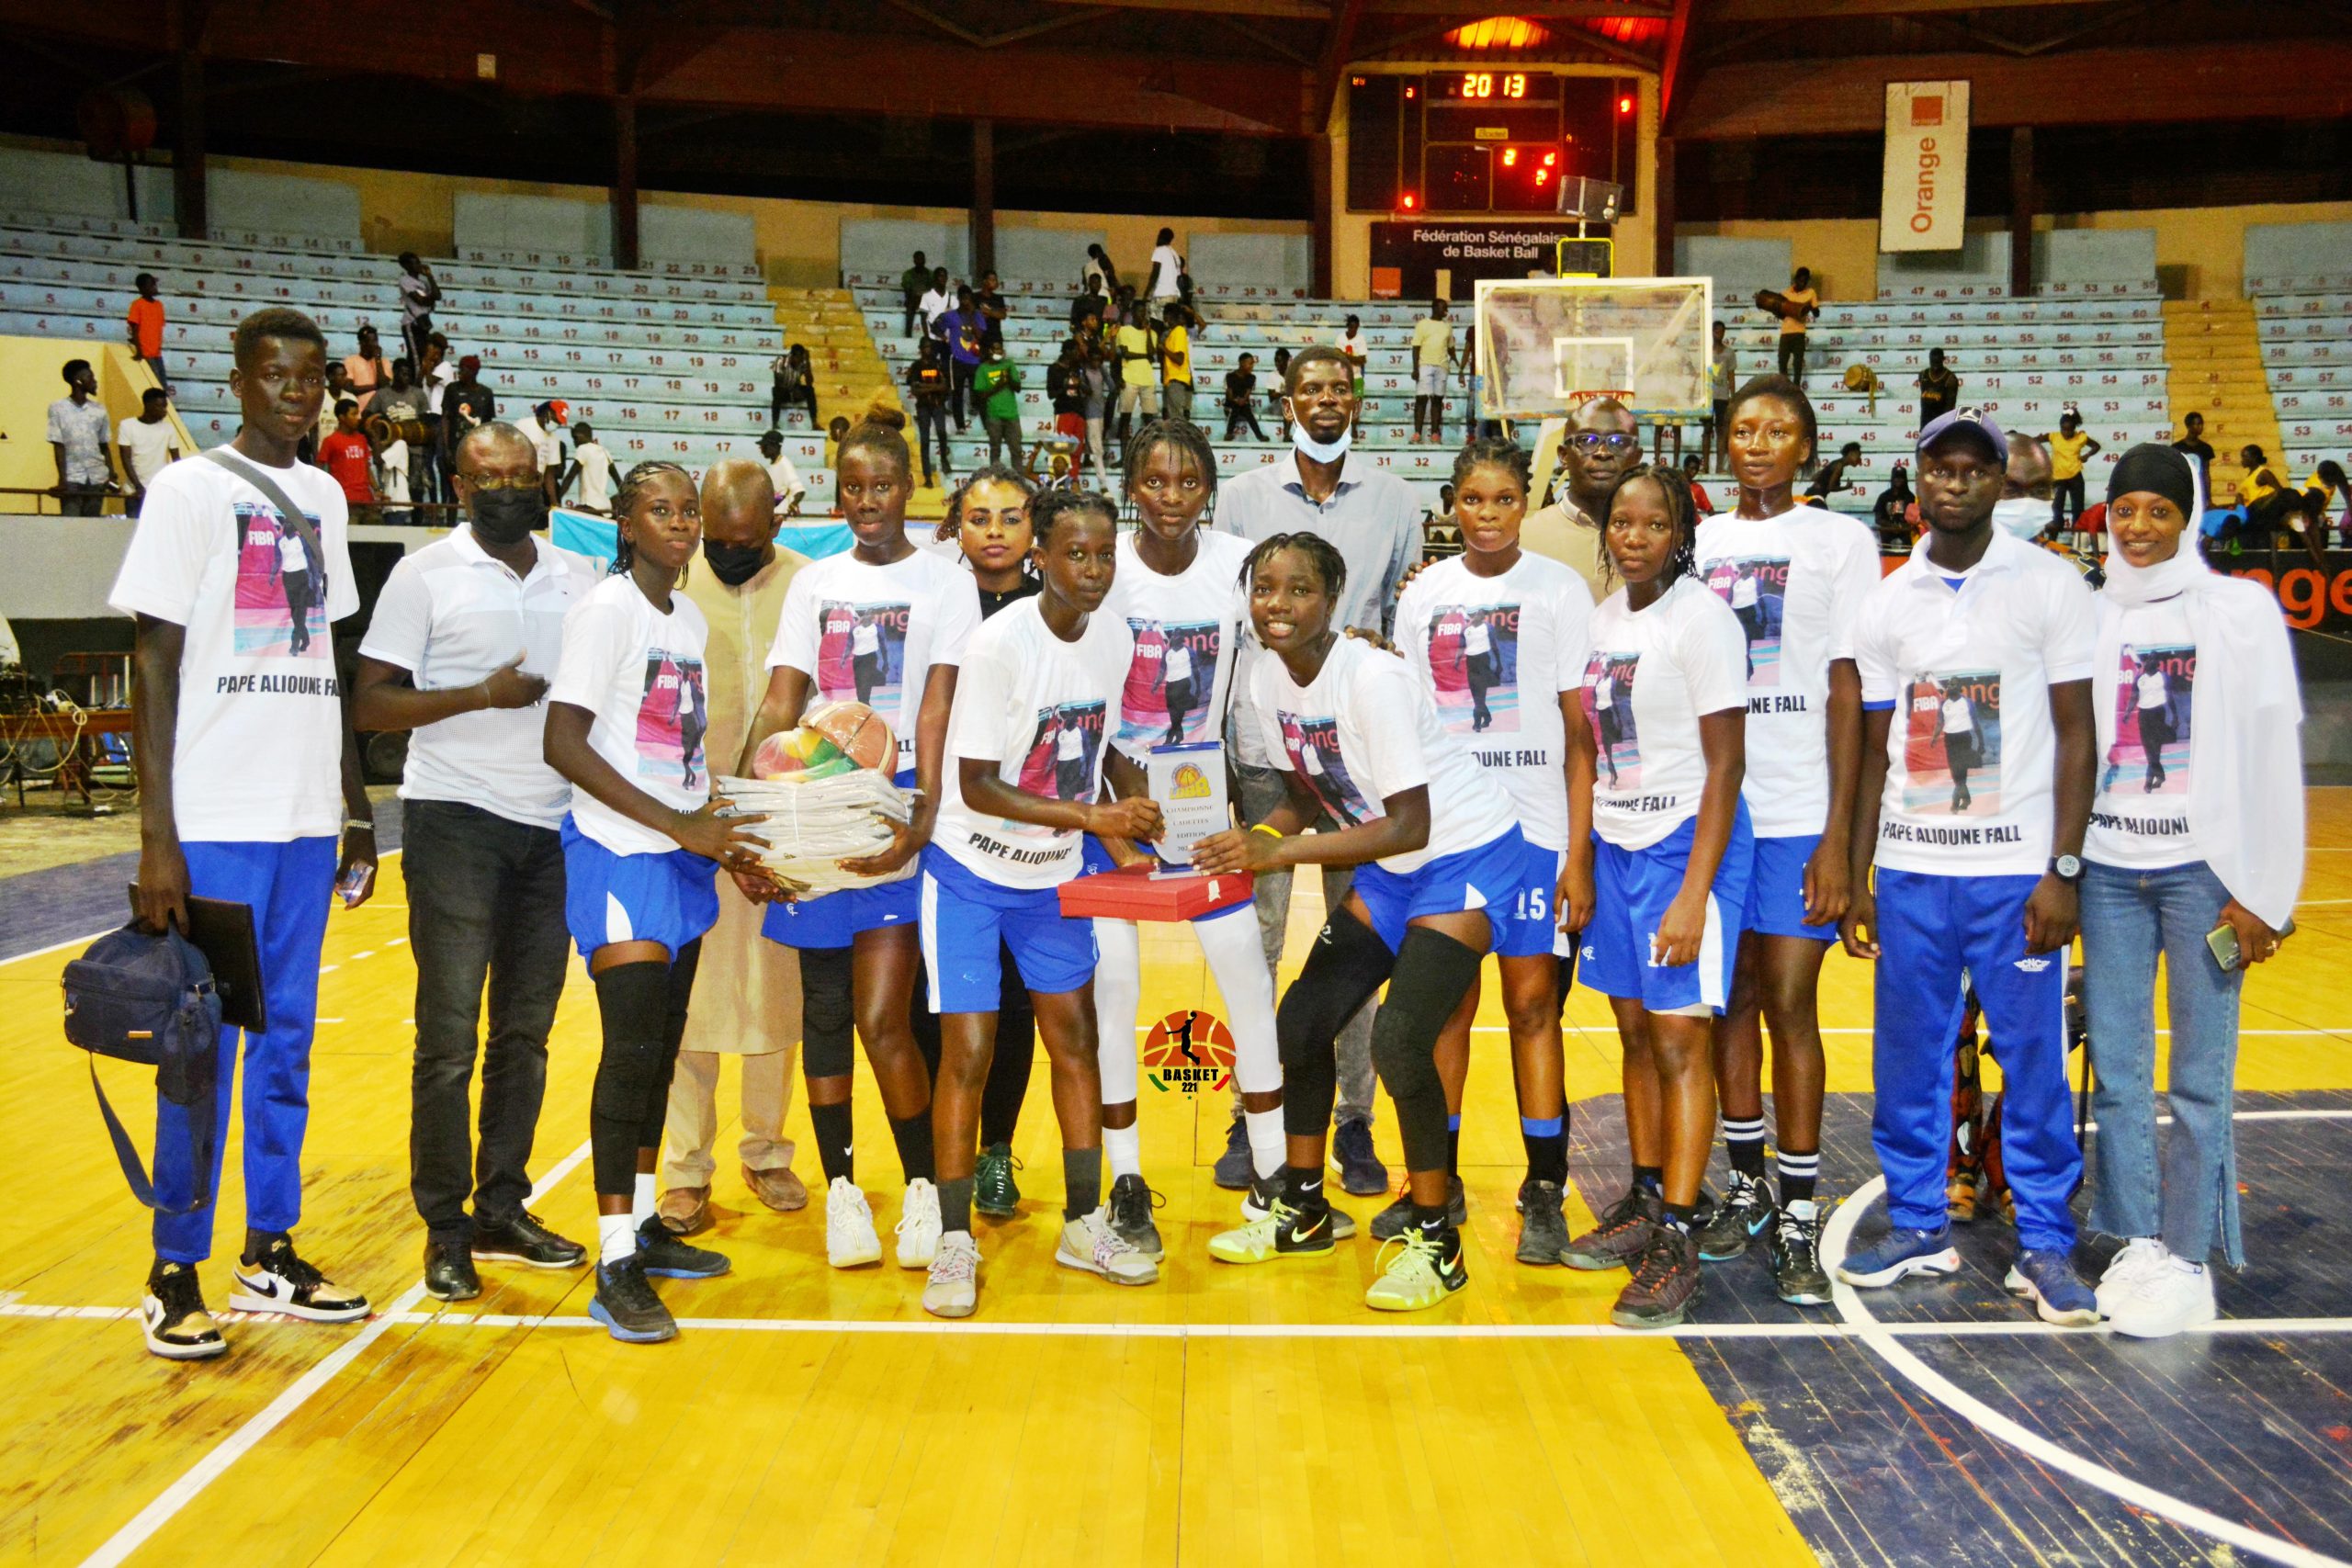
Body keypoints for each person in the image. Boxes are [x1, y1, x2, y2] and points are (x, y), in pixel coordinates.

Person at [109, 306, 377, 1360]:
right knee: (200, 1050)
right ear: (237, 378)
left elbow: (328, 670)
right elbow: (152, 663)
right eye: (276, 374)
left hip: (305, 821)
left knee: (287, 1043)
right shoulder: (187, 490)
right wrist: (156, 837)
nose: (297, 391)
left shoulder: (323, 497)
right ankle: (172, 1267)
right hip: (214, 822)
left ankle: (269, 1246)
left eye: (312, 376)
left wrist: (354, 809)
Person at [1195, 530, 1530, 1313]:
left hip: (1464, 855)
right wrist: (1264, 836)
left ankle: (1434, 1237)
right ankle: (1306, 1208)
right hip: (1396, 867)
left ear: (1332, 600)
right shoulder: (1265, 682)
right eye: (1265, 588)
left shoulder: (1370, 678)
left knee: (1399, 1039)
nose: (1278, 604)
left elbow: (1409, 822)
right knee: (1302, 1022)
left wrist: (1281, 857)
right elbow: (1307, 790)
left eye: (1298, 589)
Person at [1838, 407, 2101, 1326]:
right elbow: (1870, 753)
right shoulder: (1885, 602)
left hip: (2013, 873)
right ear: (1917, 484)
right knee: (1907, 1058)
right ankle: (1916, 1223)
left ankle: (2044, 1245)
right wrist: (1859, 871)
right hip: (1912, 872)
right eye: (1938, 469)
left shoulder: (2049, 585)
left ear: (2000, 482)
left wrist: (2062, 868)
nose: (1954, 483)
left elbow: (2079, 735)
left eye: (1972, 469)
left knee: (2031, 1058)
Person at [354, 422, 599, 1300]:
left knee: (525, 1036)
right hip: (455, 819)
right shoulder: (424, 575)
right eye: (489, 475)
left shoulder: (582, 576)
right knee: (450, 1038)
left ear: (544, 482)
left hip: (554, 825)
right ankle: (446, 1227)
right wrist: (480, 695)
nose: (508, 486)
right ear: (459, 486)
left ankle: (501, 1207)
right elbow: (371, 705)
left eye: (523, 474)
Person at [740, 420, 976, 1273]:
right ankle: (842, 1191)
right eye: (852, 488)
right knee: (827, 1014)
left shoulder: (946, 584)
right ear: (836, 494)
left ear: (907, 486)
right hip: (814, 812)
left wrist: (922, 810)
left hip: (892, 813)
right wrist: (744, 807)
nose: (866, 502)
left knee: (885, 1019)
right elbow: (780, 703)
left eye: (881, 486)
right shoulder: (814, 584)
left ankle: (920, 1187)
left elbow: (937, 708)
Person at [919, 490, 1161, 1317]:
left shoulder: (1116, 637)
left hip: (1051, 875)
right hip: (970, 869)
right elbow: (977, 785)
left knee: (1076, 1039)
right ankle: (955, 1241)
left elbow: (1098, 743)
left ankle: (1084, 1221)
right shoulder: (997, 647)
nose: (1092, 571)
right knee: (971, 1050)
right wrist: (1097, 816)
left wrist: (1134, 797)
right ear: (1041, 559)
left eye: (1103, 555)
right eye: (1075, 555)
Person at [2081, 444, 2302, 1338]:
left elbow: (2270, 752)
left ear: (2189, 517)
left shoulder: (2237, 610)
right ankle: (2136, 1237)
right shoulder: (2091, 614)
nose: (2137, 528)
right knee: (2120, 1073)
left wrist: (2267, 892)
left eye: (2157, 511)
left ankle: (2187, 1256)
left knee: (2200, 1078)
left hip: (2202, 874)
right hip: (2106, 870)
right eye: (2123, 510)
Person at [543, 461, 764, 1344]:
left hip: (677, 858)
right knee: (630, 1057)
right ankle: (613, 1259)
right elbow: (563, 740)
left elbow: (668, 747)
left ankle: (638, 1225)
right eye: (659, 510)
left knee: (662, 1048)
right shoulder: (608, 610)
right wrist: (681, 823)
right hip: (619, 854)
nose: (679, 523)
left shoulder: (684, 616)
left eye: (688, 511)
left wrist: (720, 825)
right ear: (624, 524)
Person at [1685, 377, 1879, 1306]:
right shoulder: (1701, 541)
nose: (1757, 443)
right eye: (1743, 429)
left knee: (1790, 999)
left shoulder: (1839, 541)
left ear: (1806, 444)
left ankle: (1800, 1213)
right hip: (1715, 807)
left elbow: (1846, 689)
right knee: (1730, 1000)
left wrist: (1842, 841)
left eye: (1777, 430)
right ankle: (1749, 1187)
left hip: (1800, 804)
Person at [1214, 345, 1423, 1197]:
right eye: (1310, 387)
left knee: (1358, 948)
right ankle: (1251, 1109)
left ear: (1356, 400)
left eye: (1339, 387)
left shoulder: (1397, 497)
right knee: (1253, 943)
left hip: (1358, 760)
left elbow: (1397, 609)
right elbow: (1237, 613)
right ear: (1286, 398)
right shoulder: (1241, 494)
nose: (1325, 399)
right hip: (1269, 746)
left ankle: (1355, 1122)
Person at [1555, 465, 1753, 1330]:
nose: (1635, 536)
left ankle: (1677, 1232)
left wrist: (1694, 892)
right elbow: (1585, 753)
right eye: (1623, 524)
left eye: (1653, 523)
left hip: (1685, 847)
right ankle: (1643, 1196)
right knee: (1635, 1030)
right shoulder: (1599, 623)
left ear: (1680, 534)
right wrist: (1580, 856)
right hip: (1619, 843)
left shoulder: (1702, 620)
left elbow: (1726, 765)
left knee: (1680, 1038)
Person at [1080, 423, 1282, 1256]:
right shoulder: (1102, 564)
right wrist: (1109, 807)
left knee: (1245, 973)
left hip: (1202, 804)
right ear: (1132, 486)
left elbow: (1271, 658)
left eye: (1188, 480)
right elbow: (1075, 694)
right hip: (1111, 803)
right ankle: (1127, 1180)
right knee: (1116, 986)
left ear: (1208, 487)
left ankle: (1277, 1177)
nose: (1171, 496)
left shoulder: (1239, 564)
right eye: (1156, 480)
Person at [1392, 439, 1594, 1263]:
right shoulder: (1425, 596)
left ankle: (1544, 1187)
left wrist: (1577, 854)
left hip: (1537, 833)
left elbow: (1582, 733)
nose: (1487, 515)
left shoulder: (1559, 589)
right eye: (1472, 500)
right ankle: (1436, 1180)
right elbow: (1405, 722)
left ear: (1525, 502)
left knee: (1532, 1006)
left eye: (1504, 499)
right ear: (1452, 504)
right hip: (1449, 833)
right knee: (1447, 1008)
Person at [649, 458, 815, 1234]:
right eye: (716, 538)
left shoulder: (809, 584)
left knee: (779, 992)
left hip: (785, 822)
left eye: (745, 540)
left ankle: (769, 1150)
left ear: (775, 527)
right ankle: (683, 1170)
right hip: (689, 823)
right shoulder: (671, 588)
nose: (725, 552)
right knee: (692, 1001)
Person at [909, 470, 1048, 1218]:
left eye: (1011, 517)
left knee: (1014, 999)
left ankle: (996, 1149)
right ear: (955, 528)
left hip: (1024, 822)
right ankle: (943, 1153)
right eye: (978, 517)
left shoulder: (1054, 604)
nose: (995, 531)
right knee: (937, 999)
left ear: (1034, 527)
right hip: (941, 821)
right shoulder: (936, 602)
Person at [1522, 396, 1638, 603]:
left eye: (1618, 442)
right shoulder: (1524, 537)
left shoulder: (1657, 539)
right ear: (1564, 455)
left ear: (1636, 458)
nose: (1603, 453)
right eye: (1587, 441)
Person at [48, 358, 113, 516]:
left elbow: (104, 446)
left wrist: (111, 474)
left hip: (97, 476)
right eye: (90, 377)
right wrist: (62, 479)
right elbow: (59, 445)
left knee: (91, 528)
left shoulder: (99, 410)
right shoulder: (58, 408)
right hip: (72, 477)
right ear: (78, 381)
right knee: (70, 525)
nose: (94, 381)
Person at [117, 388, 182, 518]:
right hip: (134, 493)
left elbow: (176, 461)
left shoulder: (168, 429)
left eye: (165, 406)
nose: (165, 411)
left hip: (159, 492)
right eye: (161, 407)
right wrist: (138, 486)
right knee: (133, 533)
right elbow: (126, 460)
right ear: (148, 405)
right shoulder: (127, 425)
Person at [315, 400, 377, 525]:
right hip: (345, 501)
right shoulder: (330, 441)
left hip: (367, 500)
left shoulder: (362, 439)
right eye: (353, 414)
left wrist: (377, 489)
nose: (358, 418)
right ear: (342, 417)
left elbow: (366, 467)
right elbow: (319, 469)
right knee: (350, 540)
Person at [2045, 408, 2103, 541]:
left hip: (2075, 476)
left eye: (2069, 429)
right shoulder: (2053, 436)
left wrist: (2087, 455)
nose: (2066, 432)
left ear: (2074, 428)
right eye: (2063, 429)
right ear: (2060, 427)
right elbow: (2035, 441)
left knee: (2078, 509)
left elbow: (2096, 446)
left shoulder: (2081, 437)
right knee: (2056, 508)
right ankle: (2053, 538)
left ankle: (2078, 538)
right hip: (2058, 478)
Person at [906, 338, 954, 490]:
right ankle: (927, 477)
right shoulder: (916, 366)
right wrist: (934, 387)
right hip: (923, 407)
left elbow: (945, 386)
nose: (928, 350)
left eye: (930, 347)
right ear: (921, 349)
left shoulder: (939, 364)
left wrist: (926, 387)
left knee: (941, 432)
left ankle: (944, 460)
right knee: (925, 441)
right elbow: (915, 390)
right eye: (926, 347)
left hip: (938, 404)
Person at [940, 288, 986, 433]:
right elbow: (937, 326)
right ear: (959, 298)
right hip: (957, 360)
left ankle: (986, 426)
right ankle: (960, 426)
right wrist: (945, 339)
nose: (966, 301)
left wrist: (971, 316)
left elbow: (980, 335)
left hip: (975, 360)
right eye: (964, 298)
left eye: (969, 298)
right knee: (957, 394)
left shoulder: (977, 315)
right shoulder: (951, 315)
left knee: (979, 393)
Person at [1411, 299, 1455, 446]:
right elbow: (1416, 346)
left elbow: (1450, 346)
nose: (1446, 311)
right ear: (1435, 308)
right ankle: (1417, 433)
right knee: (1421, 398)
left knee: (1437, 400)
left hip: (1442, 366)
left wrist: (1456, 360)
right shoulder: (1422, 324)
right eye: (1444, 308)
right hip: (1425, 365)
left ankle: (1435, 433)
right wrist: (1415, 368)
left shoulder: (1447, 327)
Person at [1114, 304, 1159, 448]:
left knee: (1149, 419)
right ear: (1133, 313)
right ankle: (1123, 457)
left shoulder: (1152, 333)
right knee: (1125, 418)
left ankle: (1150, 454)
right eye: (1140, 311)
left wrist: (1147, 332)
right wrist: (1145, 356)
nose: (1143, 315)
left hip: (1147, 378)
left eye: (1145, 312)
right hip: (1129, 377)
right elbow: (1126, 354)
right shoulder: (1124, 331)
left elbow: (1151, 352)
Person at [975, 339, 1024, 467]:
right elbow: (981, 395)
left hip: (1011, 414)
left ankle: (1018, 481)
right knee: (995, 449)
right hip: (993, 415)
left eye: (1000, 349)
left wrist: (1008, 380)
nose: (998, 352)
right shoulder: (983, 369)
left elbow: (1018, 388)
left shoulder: (1009, 364)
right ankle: (995, 479)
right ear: (989, 351)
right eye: (996, 349)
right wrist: (1000, 383)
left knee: (1016, 450)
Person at [127, 272, 169, 393]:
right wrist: (140, 352)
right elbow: (135, 329)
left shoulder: (159, 305)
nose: (155, 288)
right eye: (151, 285)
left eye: (155, 285)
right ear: (142, 288)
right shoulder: (137, 305)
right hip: (146, 352)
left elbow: (158, 328)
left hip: (157, 353)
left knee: (163, 386)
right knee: (155, 385)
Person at [396, 253, 440, 370]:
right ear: (406, 266)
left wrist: (430, 276)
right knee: (416, 356)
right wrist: (430, 299)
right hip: (411, 323)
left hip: (422, 323)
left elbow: (438, 295)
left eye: (418, 262)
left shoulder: (424, 283)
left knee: (422, 355)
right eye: (414, 263)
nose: (418, 265)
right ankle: (415, 383)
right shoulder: (405, 280)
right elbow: (420, 300)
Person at [1776, 267, 1819, 385]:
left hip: (1799, 332)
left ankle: (1796, 386)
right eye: (1801, 281)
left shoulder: (1811, 293)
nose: (1803, 283)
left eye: (1805, 281)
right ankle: (1784, 384)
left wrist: (1809, 307)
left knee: (1798, 362)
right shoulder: (1785, 294)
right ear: (1796, 279)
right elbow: (1779, 313)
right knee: (1782, 360)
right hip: (1785, 332)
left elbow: (1817, 313)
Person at [756, 428, 806, 516]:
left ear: (773, 446)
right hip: (775, 513)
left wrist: (792, 505)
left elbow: (799, 491)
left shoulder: (784, 464)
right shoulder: (774, 465)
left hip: (783, 517)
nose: (761, 449)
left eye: (765, 446)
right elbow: (780, 493)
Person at [1160, 304, 1196, 425]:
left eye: (1165, 315)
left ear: (1169, 316)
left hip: (1177, 379)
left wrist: (1163, 349)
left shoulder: (1179, 331)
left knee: (1176, 418)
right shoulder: (1172, 333)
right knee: (1172, 417)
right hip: (1171, 379)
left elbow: (1179, 359)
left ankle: (1180, 443)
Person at [569, 422, 615, 514]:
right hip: (604, 506)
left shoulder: (582, 449)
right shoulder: (605, 451)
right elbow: (618, 480)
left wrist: (556, 500)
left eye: (575, 438)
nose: (574, 442)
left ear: (581, 435)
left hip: (589, 505)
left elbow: (570, 476)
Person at [2171, 412, 2216, 506]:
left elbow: (2206, 473)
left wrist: (2209, 499)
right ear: (2189, 426)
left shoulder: (2205, 448)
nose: (2201, 427)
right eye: (2198, 424)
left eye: (2201, 424)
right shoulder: (2177, 448)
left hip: (2200, 492)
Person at [770, 343, 818, 431]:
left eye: (801, 359)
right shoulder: (781, 360)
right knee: (777, 392)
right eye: (798, 358)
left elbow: (809, 382)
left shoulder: (802, 363)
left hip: (795, 390)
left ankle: (814, 423)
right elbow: (778, 382)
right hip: (783, 391)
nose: (799, 361)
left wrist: (808, 362)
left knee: (810, 390)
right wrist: (792, 391)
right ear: (792, 356)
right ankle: (775, 422)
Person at [1803, 441, 1865, 507]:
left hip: (1812, 494)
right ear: (1851, 454)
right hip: (1816, 497)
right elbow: (1831, 488)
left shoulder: (1835, 463)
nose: (1859, 459)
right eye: (1858, 455)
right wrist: (1846, 487)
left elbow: (1815, 477)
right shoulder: (1839, 466)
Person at [1222, 353, 1268, 443]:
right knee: (1236, 407)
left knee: (1245, 409)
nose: (1252, 366)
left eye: (1253, 364)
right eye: (1250, 363)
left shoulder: (1252, 377)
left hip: (1243, 404)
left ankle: (1229, 433)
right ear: (1242, 363)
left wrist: (1242, 400)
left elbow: (1247, 394)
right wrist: (1237, 400)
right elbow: (1229, 395)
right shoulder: (1230, 376)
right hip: (1231, 404)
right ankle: (1259, 436)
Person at [1707, 321, 1734, 467]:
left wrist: (1733, 395)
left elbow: (1731, 375)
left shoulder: (1729, 353)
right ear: (1711, 332)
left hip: (1722, 396)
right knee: (1706, 430)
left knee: (1721, 431)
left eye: (1722, 331)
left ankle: (1719, 466)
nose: (1719, 333)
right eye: (1716, 330)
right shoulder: (1706, 351)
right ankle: (1704, 468)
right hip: (1707, 396)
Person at [1338, 316, 1368, 439]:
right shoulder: (1340, 338)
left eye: (1355, 327)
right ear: (1348, 326)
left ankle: (1354, 429)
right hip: (1342, 376)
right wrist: (1352, 358)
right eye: (1351, 327)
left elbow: (1363, 359)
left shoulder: (1360, 339)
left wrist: (1346, 356)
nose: (1353, 330)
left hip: (1356, 376)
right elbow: (1337, 356)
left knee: (1357, 404)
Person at [1871, 462, 1914, 548]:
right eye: (1896, 478)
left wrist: (1902, 527)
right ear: (1892, 479)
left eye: (1901, 478)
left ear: (1905, 480)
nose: (1898, 480)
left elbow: (1914, 519)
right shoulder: (1884, 497)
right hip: (1887, 530)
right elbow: (1878, 519)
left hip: (1905, 531)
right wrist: (1892, 526)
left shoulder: (1910, 497)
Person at [344, 324, 389, 401]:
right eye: (372, 341)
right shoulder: (350, 360)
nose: (376, 344)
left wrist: (378, 359)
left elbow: (384, 386)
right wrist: (375, 386)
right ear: (362, 343)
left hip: (379, 410)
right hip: (357, 410)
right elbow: (349, 389)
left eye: (376, 340)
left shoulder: (384, 362)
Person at [1917, 347, 1960, 427]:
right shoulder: (1922, 375)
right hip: (1925, 422)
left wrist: (1943, 424)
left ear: (1943, 360)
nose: (1935, 365)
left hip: (1941, 423)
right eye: (1933, 362)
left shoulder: (1950, 379)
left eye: (1938, 362)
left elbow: (1950, 406)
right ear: (1929, 359)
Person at [1148, 228, 1183, 321]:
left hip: (1162, 295)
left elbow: (1155, 272)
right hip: (1173, 295)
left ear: (1161, 236)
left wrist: (1146, 293)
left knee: (1157, 323)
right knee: (1169, 324)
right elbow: (1179, 278)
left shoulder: (1159, 250)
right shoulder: (1174, 254)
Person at [916, 265, 954, 344]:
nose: (943, 278)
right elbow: (923, 320)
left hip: (947, 340)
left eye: (945, 276)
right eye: (940, 276)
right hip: (932, 339)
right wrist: (927, 338)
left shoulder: (952, 298)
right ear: (935, 278)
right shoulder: (926, 296)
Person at [975, 270, 1009, 352]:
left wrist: (988, 311)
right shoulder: (975, 297)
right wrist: (993, 313)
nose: (995, 282)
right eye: (992, 280)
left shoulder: (998, 298)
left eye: (996, 280)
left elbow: (1002, 315)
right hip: (980, 336)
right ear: (985, 281)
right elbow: (974, 315)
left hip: (995, 336)